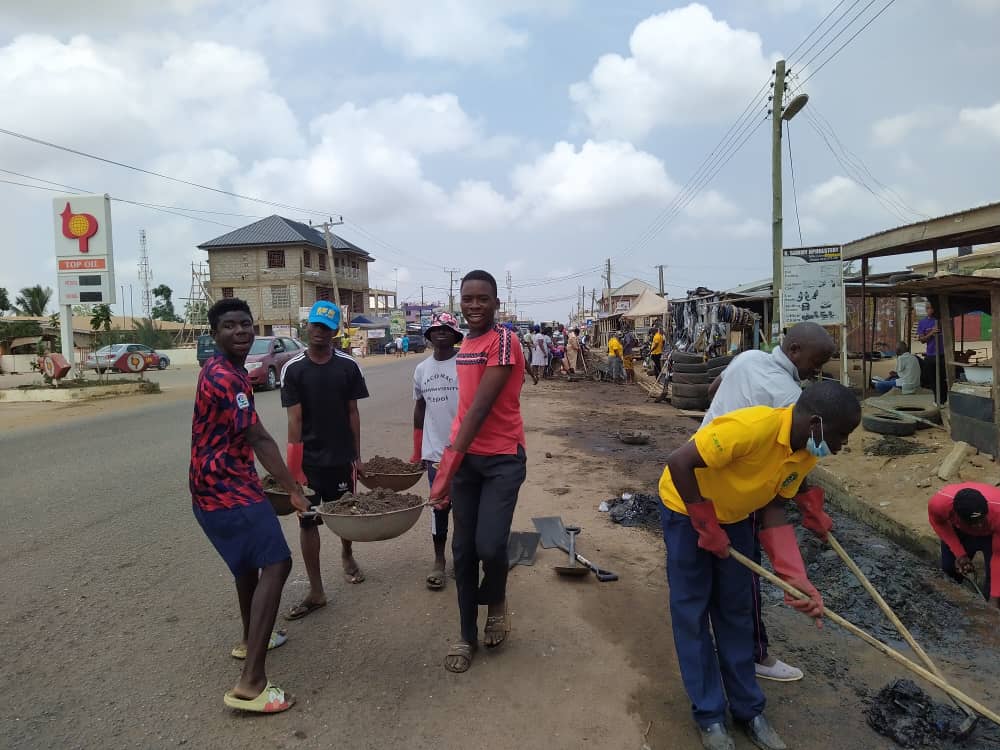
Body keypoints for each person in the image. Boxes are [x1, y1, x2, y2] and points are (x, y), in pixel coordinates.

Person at [660, 380, 861, 750]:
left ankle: (748, 709)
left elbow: (773, 506)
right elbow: (679, 462)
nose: (843, 444)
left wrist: (794, 577)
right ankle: (709, 715)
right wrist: (705, 523)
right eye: (842, 434)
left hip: (737, 516)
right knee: (692, 613)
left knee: (737, 612)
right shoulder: (751, 428)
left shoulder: (806, 451)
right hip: (687, 510)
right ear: (816, 423)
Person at [190, 298, 309, 714]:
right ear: (215, 334)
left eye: (245, 324)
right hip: (227, 488)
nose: (240, 331)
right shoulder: (226, 377)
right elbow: (258, 437)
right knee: (277, 563)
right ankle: (251, 684)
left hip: (212, 485)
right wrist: (294, 489)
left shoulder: (223, 369)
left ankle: (250, 639)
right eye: (229, 326)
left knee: (247, 564)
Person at [702, 321, 836, 684]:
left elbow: (713, 388)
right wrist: (809, 506)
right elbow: (794, 462)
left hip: (703, 471)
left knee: (714, 576)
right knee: (745, 578)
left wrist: (729, 415)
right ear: (794, 351)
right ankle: (754, 654)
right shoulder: (790, 397)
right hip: (741, 489)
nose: (816, 371)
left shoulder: (749, 358)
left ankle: (720, 647)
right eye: (815, 362)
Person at [429, 270, 528, 674]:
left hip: (503, 457)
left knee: (489, 545)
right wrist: (450, 465)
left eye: (482, 299)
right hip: (466, 460)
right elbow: (462, 412)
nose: (474, 305)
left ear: (496, 303)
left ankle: (497, 599)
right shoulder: (465, 344)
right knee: (463, 551)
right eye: (467, 298)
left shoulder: (503, 340)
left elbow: (480, 409)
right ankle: (466, 634)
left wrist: (443, 474)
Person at [280, 300, 370, 621]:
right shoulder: (293, 369)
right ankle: (316, 590)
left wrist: (357, 456)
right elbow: (294, 421)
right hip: (309, 461)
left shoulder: (348, 366)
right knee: (308, 521)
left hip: (342, 458)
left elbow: (353, 412)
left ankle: (347, 555)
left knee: (345, 515)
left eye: (327, 327)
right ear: (308, 327)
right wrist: (294, 471)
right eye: (316, 325)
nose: (320, 332)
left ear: (335, 332)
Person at [411, 312, 463, 591]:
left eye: (446, 329)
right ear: (429, 335)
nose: (440, 332)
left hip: (465, 451)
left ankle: (462, 559)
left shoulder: (465, 363)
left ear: (456, 335)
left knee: (464, 510)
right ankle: (439, 561)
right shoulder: (421, 370)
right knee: (439, 508)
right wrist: (417, 449)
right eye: (435, 329)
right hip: (435, 454)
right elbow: (420, 408)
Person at [928, 482, 1000, 608]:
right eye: (974, 522)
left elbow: (998, 556)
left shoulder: (998, 513)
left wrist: (994, 600)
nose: (979, 526)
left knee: (994, 585)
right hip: (961, 530)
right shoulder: (939, 505)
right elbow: (939, 523)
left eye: (981, 520)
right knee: (950, 569)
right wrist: (960, 554)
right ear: (956, 514)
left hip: (993, 532)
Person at [917, 299, 948, 403]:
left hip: (942, 354)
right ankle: (937, 400)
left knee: (943, 379)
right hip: (930, 354)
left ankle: (943, 400)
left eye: (931, 308)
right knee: (932, 380)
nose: (930, 310)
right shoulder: (922, 323)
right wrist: (931, 333)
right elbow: (922, 340)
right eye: (928, 308)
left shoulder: (942, 320)